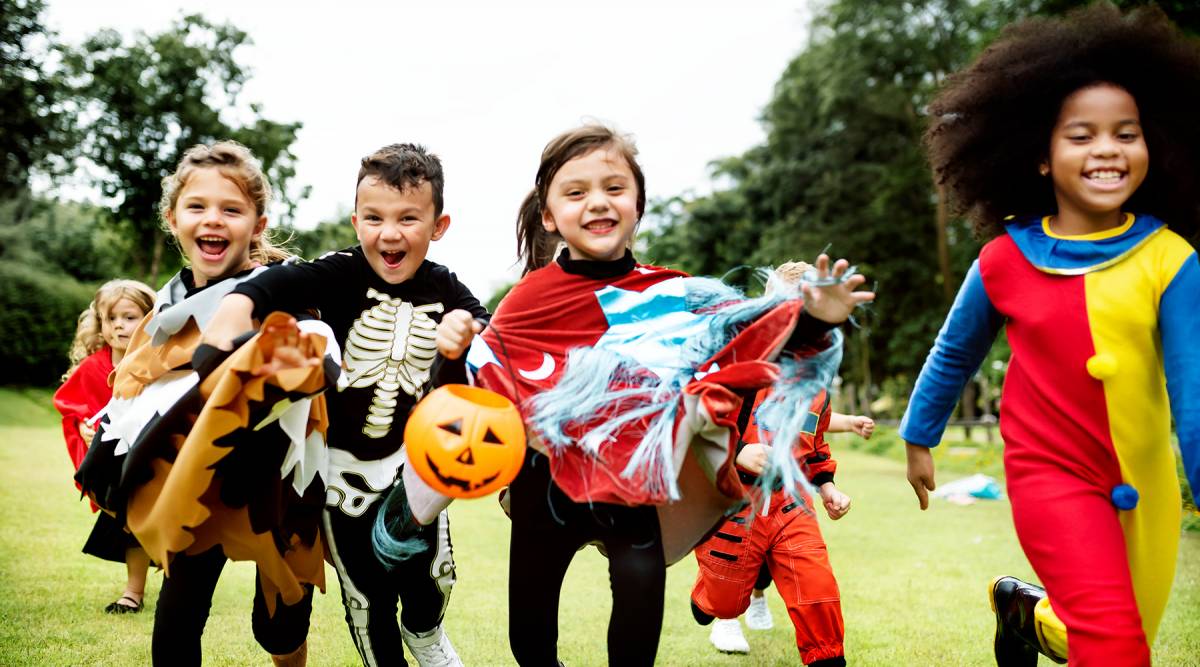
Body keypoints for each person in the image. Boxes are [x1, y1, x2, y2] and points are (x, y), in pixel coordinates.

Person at [437, 124, 874, 666]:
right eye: (576, 192)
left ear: (638, 203)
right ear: (549, 215)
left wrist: (811, 320)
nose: (597, 201)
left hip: (634, 486)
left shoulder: (671, 294)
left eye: (614, 187)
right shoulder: (527, 301)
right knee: (529, 642)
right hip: (544, 490)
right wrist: (450, 355)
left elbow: (748, 344)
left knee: (640, 610)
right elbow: (470, 394)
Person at [899, 5, 1200, 666]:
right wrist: (919, 436)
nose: (1107, 150)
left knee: (1115, 629)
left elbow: (1192, 390)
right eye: (1082, 135)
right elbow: (955, 351)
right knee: (1117, 644)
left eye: (1127, 133)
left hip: (1145, 476)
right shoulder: (1004, 258)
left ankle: (1024, 613)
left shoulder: (1171, 258)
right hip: (1049, 471)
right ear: (1039, 154)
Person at [203, 143, 485, 667]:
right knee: (366, 595)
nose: (389, 233)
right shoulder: (339, 274)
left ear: (438, 225)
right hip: (340, 473)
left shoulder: (446, 287)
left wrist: (467, 332)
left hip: (413, 466)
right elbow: (275, 281)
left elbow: (487, 337)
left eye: (408, 218)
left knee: (430, 577)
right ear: (356, 221)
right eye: (374, 218)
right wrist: (237, 306)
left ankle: (425, 633)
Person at [76, 140, 326, 667]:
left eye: (231, 209)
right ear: (174, 219)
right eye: (198, 207)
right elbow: (134, 390)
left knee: (278, 629)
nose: (214, 219)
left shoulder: (281, 289)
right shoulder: (164, 308)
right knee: (176, 624)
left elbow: (315, 360)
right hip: (195, 483)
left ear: (257, 224)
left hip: (274, 488)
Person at [691, 263, 872, 665]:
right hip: (735, 505)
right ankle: (710, 601)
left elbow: (816, 445)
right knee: (723, 599)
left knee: (817, 587)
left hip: (792, 506)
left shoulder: (816, 386)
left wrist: (828, 488)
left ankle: (826, 658)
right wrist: (737, 454)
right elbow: (697, 427)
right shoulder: (737, 368)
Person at [54, 279, 156, 613]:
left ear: (148, 318)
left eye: (129, 317)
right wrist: (83, 427)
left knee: (147, 518)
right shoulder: (93, 367)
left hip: (151, 459)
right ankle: (134, 591)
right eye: (111, 319)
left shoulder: (158, 362)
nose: (120, 326)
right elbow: (72, 405)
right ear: (101, 323)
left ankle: (141, 589)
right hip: (111, 465)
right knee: (127, 520)